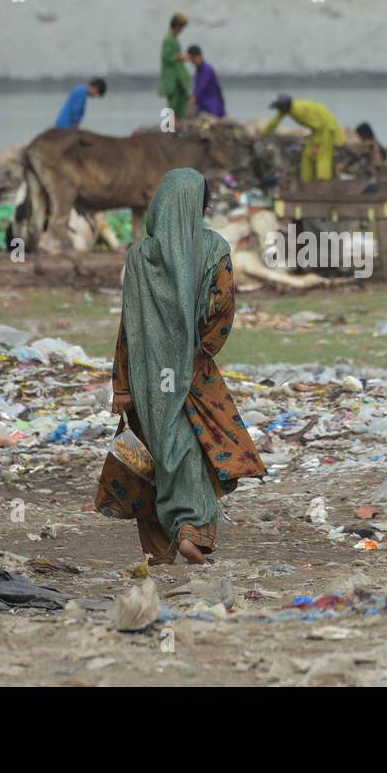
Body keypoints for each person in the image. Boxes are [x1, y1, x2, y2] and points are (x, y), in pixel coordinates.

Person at [102, 168, 266, 564]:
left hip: (145, 378)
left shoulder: (140, 256)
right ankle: (193, 528)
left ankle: (158, 550)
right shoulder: (214, 250)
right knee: (195, 448)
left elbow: (129, 324)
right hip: (192, 373)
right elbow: (220, 310)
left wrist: (122, 385)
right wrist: (202, 348)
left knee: (155, 455)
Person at [261, 94, 345, 183]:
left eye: (279, 108)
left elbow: (319, 125)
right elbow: (275, 121)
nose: (278, 110)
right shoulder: (288, 109)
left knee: (322, 156)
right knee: (307, 156)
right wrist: (264, 134)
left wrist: (317, 143)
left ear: (284, 107)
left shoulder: (299, 111)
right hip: (317, 131)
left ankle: (323, 182)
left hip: (325, 131)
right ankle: (306, 183)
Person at [159, 12, 192, 126]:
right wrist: (181, 57)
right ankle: (169, 128)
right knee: (172, 105)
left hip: (178, 79)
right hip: (172, 79)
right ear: (177, 26)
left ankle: (176, 126)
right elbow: (167, 56)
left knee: (181, 103)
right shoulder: (169, 39)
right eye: (181, 27)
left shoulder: (174, 39)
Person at [188, 45, 226, 118]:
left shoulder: (206, 69)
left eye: (194, 59)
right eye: (191, 60)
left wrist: (193, 97)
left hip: (212, 107)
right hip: (204, 106)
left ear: (200, 56)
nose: (193, 62)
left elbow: (201, 86)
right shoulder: (199, 70)